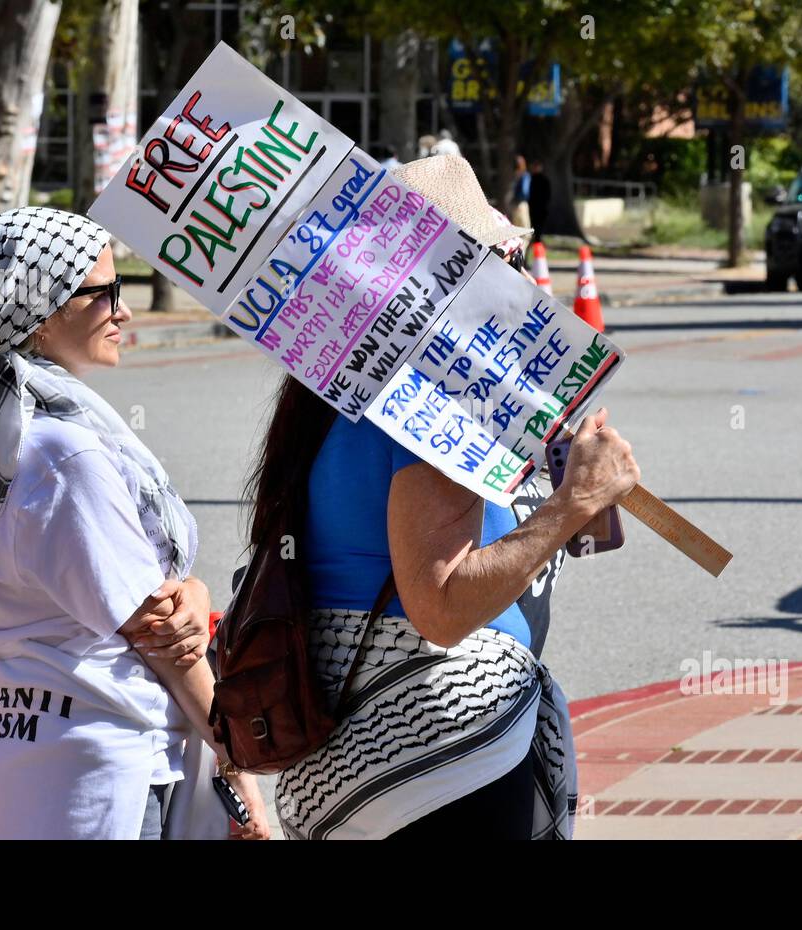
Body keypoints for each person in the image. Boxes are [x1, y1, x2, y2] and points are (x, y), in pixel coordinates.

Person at [263, 156, 639, 839]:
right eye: (506, 264)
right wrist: (572, 504)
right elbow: (439, 606)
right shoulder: (433, 400)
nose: (521, 283)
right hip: (437, 754)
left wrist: (572, 503)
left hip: (363, 754)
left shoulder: (335, 384)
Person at [0, 206, 269, 840]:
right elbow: (159, 635)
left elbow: (102, 590)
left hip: (23, 757)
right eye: (103, 292)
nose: (123, 310)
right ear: (42, 315)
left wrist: (192, 590)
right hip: (106, 770)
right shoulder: (62, 452)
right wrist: (239, 771)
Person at [528, 158, 552, 241]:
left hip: (538, 209)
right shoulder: (531, 179)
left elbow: (547, 195)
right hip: (535, 208)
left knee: (537, 231)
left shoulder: (534, 179)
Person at [511, 154, 533, 231]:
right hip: (522, 203)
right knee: (525, 228)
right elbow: (525, 190)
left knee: (516, 228)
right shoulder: (525, 175)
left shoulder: (515, 175)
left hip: (514, 204)